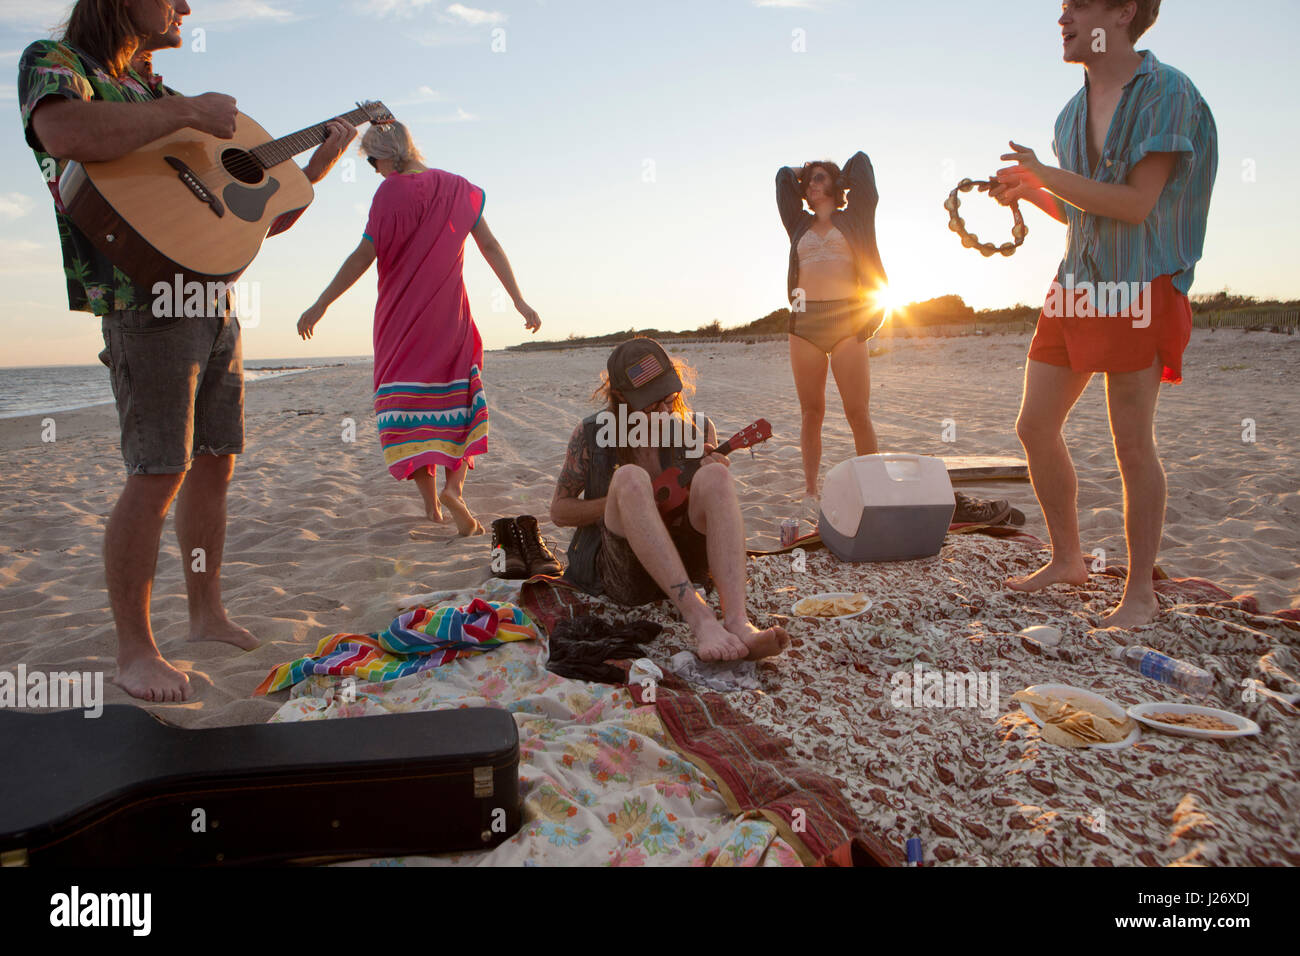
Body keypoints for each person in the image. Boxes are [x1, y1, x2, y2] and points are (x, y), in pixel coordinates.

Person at [18, 0, 354, 702]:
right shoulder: (60, 67)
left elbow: (232, 215)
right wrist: (185, 113)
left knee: (214, 464)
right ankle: (134, 651)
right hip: (140, 298)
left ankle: (205, 613)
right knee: (156, 471)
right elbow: (63, 129)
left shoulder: (159, 92)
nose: (186, 7)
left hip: (210, 296)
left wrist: (312, 171)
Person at [988, 0, 1217, 627]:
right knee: (1034, 427)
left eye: (1077, 5)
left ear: (1122, 11)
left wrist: (1047, 173)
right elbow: (1087, 210)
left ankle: (1139, 593)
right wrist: (1035, 191)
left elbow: (1138, 205)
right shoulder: (1069, 114)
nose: (1062, 18)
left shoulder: (1168, 92)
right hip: (1076, 287)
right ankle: (1067, 558)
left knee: (1131, 447)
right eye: (1061, 8)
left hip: (1141, 288)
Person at [298, 122, 540, 536]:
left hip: (400, 324)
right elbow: (491, 246)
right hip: (451, 321)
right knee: (458, 406)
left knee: (408, 412)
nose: (376, 170)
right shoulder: (458, 187)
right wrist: (519, 299)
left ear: (388, 155)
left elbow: (363, 255)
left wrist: (321, 303)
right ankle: (453, 490)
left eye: (374, 161)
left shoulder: (389, 192)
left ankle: (432, 507)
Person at [551, 338, 790, 662]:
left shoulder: (698, 428)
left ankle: (737, 621)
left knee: (716, 476)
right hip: (624, 575)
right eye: (652, 404)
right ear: (621, 397)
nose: (664, 409)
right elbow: (559, 511)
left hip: (685, 563)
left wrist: (702, 475)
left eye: (670, 398)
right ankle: (703, 620)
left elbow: (702, 505)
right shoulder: (591, 434)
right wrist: (622, 502)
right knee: (630, 479)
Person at [775, 152, 887, 500]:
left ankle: (871, 487)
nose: (811, 184)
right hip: (805, 322)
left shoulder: (855, 218)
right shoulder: (798, 223)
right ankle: (810, 489)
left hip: (847, 321)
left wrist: (836, 176)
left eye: (820, 178)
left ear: (837, 184)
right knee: (811, 412)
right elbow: (782, 179)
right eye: (808, 181)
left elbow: (863, 166)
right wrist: (802, 170)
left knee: (857, 412)